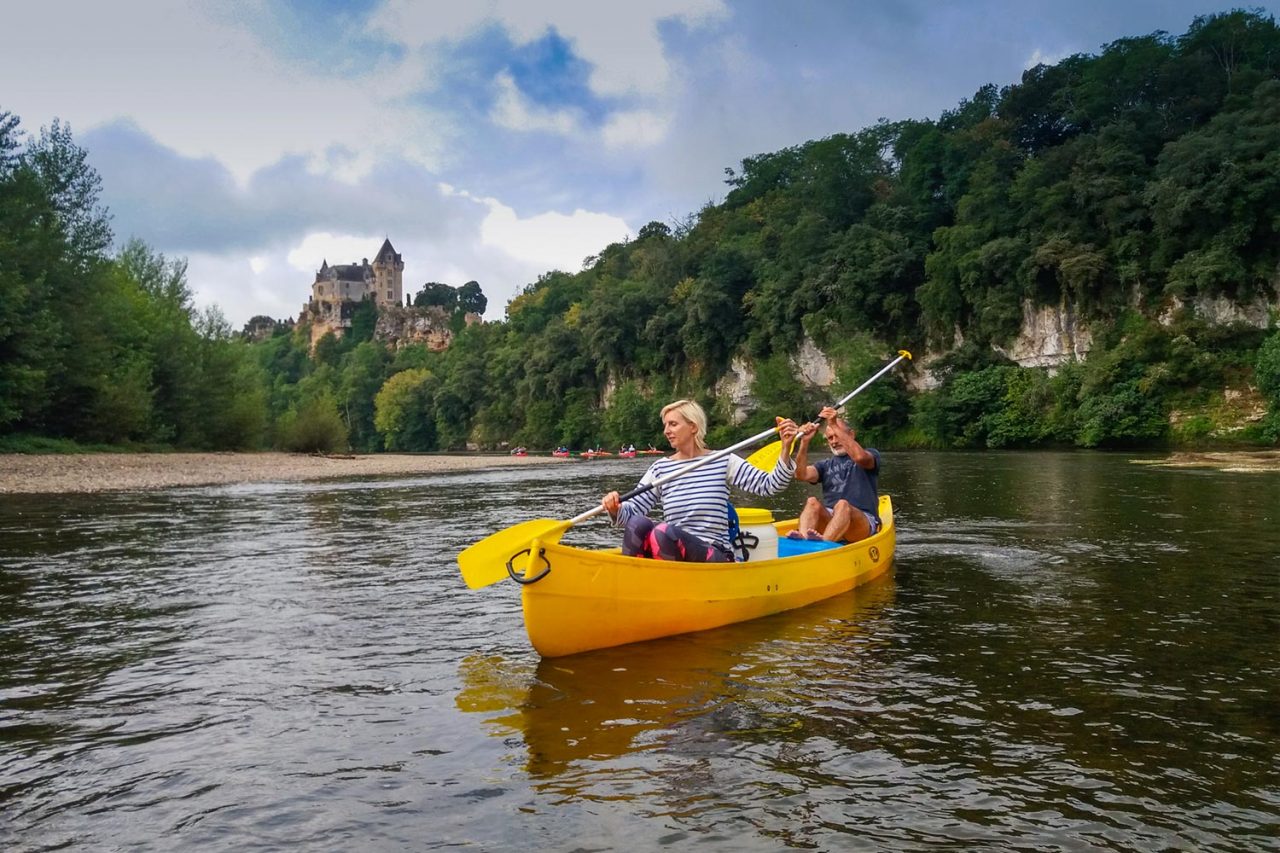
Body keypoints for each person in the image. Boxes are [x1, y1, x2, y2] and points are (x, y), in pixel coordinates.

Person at [602, 400, 801, 562]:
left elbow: (770, 486)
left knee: (662, 532)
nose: (666, 431)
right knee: (638, 524)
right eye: (665, 425)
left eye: (673, 424)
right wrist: (615, 508)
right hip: (672, 550)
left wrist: (785, 449)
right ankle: (635, 584)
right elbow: (629, 516)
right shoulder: (660, 469)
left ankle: (668, 589)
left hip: (715, 553)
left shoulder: (722, 460)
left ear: (693, 427)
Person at [791, 405, 881, 543]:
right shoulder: (825, 465)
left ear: (851, 435)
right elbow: (800, 474)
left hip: (861, 522)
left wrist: (833, 423)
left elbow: (860, 458)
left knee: (842, 505)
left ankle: (824, 547)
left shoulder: (870, 454)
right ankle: (803, 542)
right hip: (832, 521)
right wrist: (804, 442)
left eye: (837, 436)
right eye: (830, 438)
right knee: (812, 502)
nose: (834, 441)